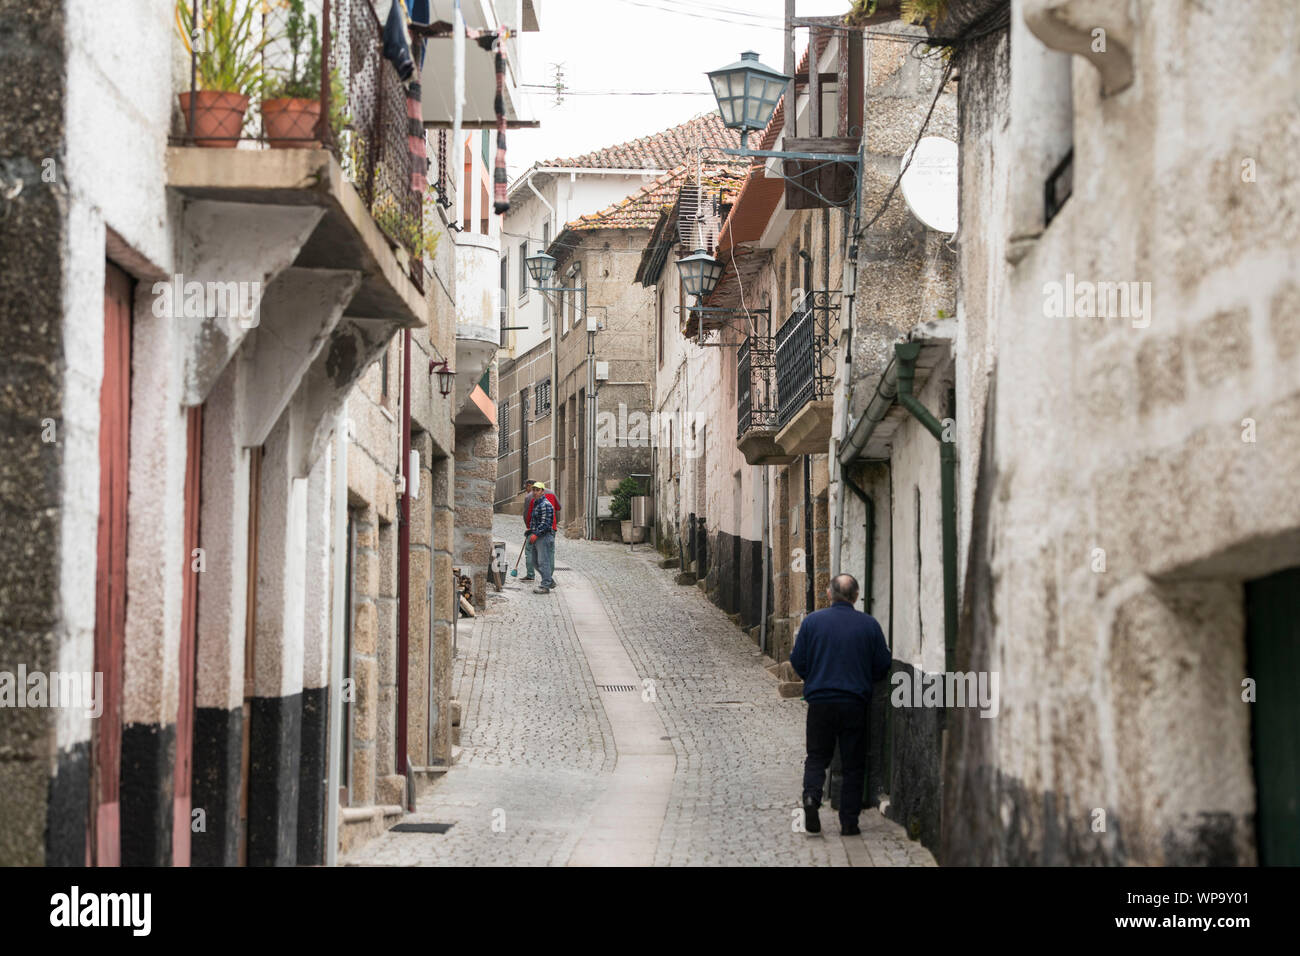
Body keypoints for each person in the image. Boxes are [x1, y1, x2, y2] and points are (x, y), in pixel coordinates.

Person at [788, 573, 891, 836]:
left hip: (820, 702)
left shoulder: (812, 623)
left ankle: (811, 798)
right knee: (853, 763)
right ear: (856, 596)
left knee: (817, 757)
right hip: (854, 703)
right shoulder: (869, 625)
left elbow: (798, 661)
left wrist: (815, 678)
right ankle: (849, 822)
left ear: (829, 594)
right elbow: (882, 665)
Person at [527, 487, 557, 594]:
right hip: (537, 536)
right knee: (534, 562)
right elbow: (534, 520)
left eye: (537, 490)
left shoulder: (545, 504)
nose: (535, 492)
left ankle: (545, 586)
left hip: (544, 537)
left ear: (542, 491)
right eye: (533, 490)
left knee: (543, 562)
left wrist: (536, 534)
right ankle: (549, 580)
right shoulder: (536, 503)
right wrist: (530, 530)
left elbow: (546, 523)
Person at [520, 480, 539, 581]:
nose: (526, 490)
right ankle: (548, 577)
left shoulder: (529, 497)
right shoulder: (550, 493)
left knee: (529, 551)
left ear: (530, 486)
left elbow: (527, 514)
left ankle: (530, 574)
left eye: (526, 488)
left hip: (533, 529)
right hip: (548, 529)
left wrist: (528, 527)